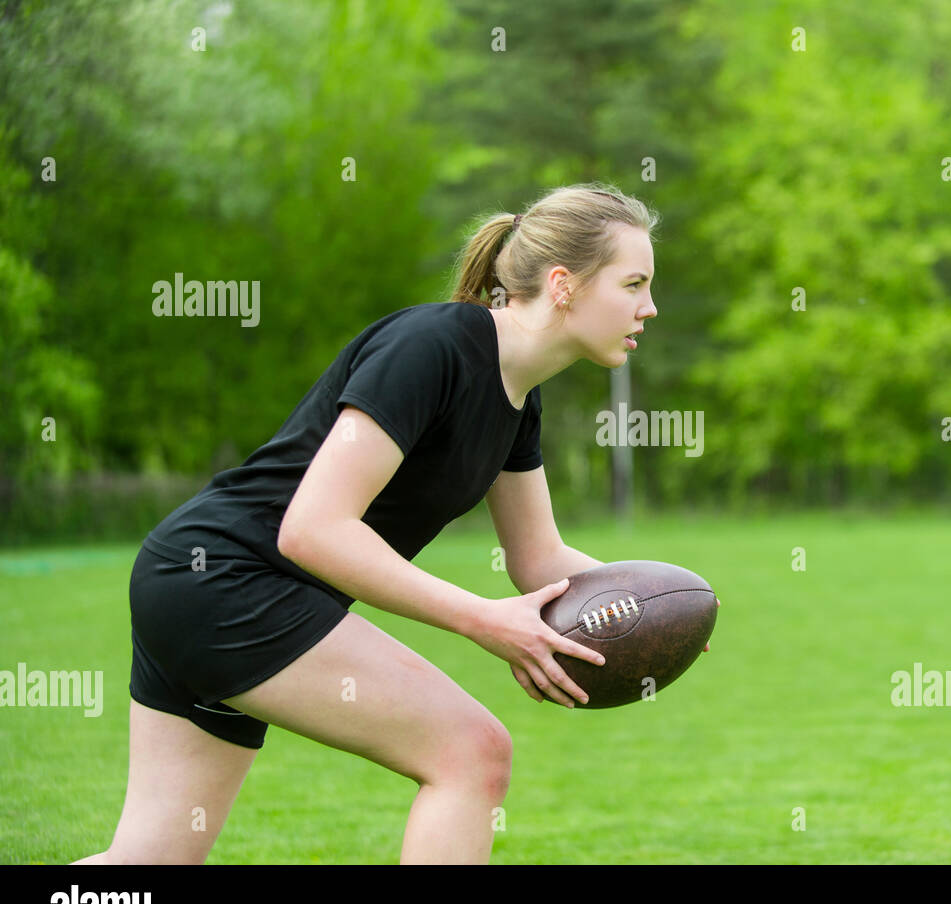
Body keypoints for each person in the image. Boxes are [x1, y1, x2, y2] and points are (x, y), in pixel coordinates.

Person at [72, 183, 709, 865]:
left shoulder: (519, 398)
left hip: (197, 587)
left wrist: (664, 602)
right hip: (225, 581)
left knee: (144, 865)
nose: (649, 306)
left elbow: (539, 558)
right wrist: (482, 618)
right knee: (471, 752)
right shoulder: (432, 347)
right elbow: (312, 529)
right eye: (634, 283)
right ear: (564, 284)